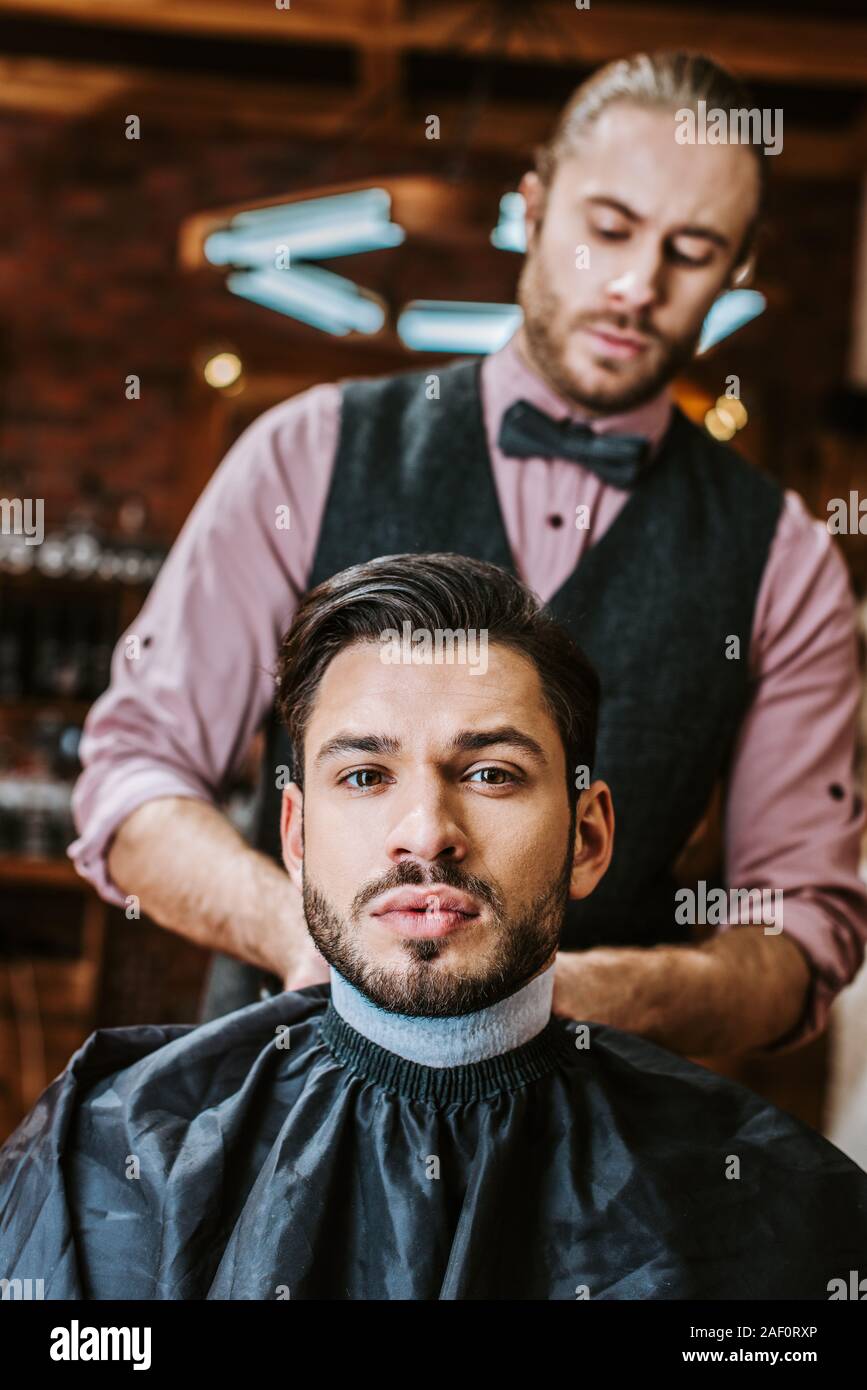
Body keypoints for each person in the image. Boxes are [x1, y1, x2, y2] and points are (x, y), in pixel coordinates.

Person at [69, 51, 866, 1054]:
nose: (634, 285)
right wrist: (304, 936)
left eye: (691, 250)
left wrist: (588, 991)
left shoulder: (785, 559)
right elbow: (135, 777)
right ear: (532, 212)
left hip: (589, 1159)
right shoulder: (307, 450)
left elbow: (798, 933)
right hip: (287, 1110)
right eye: (608, 230)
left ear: (735, 268)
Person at [3, 555, 866, 1301]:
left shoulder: (775, 1209)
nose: (424, 830)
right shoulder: (112, 1152)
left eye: (491, 773)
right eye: (365, 774)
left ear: (588, 838)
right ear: (296, 836)